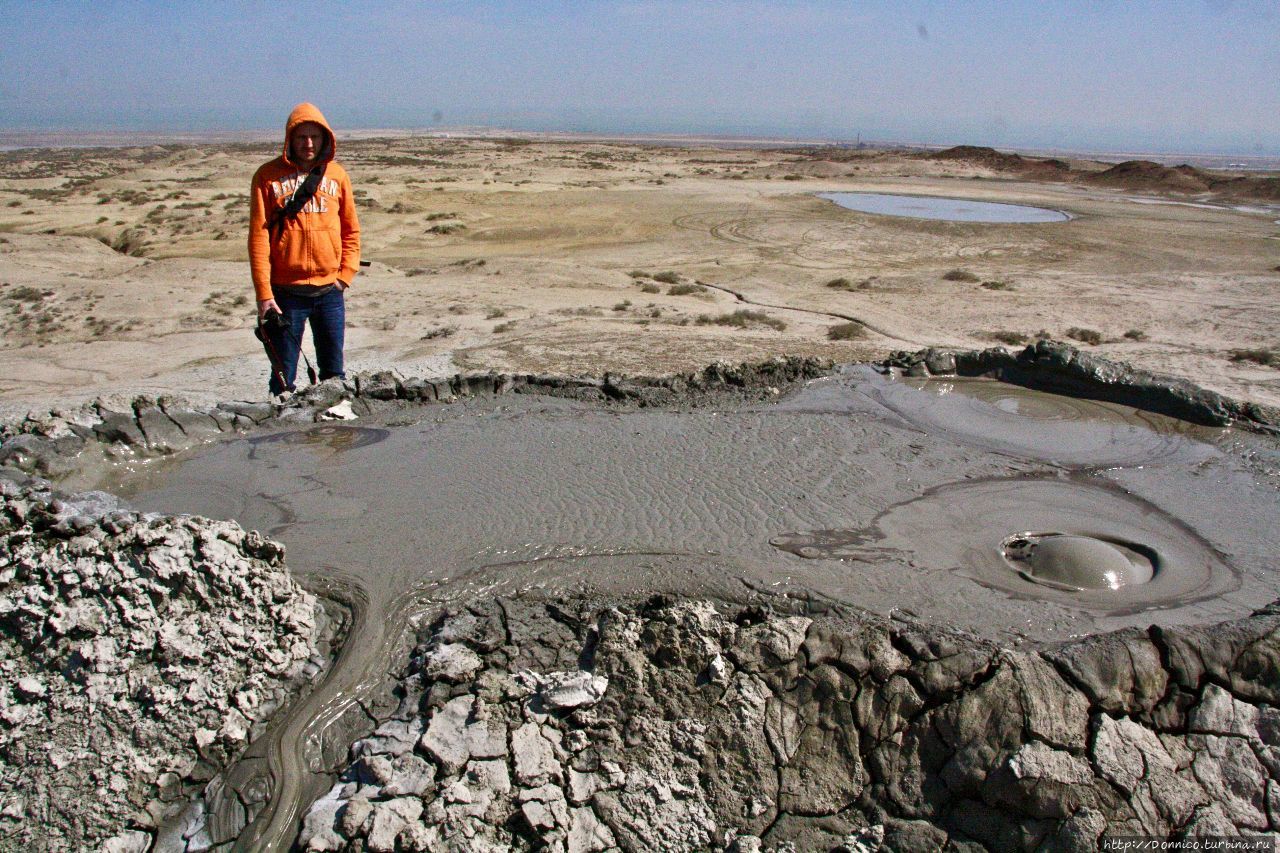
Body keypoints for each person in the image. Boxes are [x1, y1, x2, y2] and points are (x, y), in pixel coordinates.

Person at [248, 103, 361, 396]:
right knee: (284, 380)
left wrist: (344, 275)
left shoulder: (337, 176)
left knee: (334, 375)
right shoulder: (267, 177)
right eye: (301, 137)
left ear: (325, 139)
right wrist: (264, 294)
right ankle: (284, 438)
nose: (308, 144)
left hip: (330, 293)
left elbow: (351, 230)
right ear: (289, 139)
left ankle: (338, 437)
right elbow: (258, 238)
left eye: (314, 137)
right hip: (286, 294)